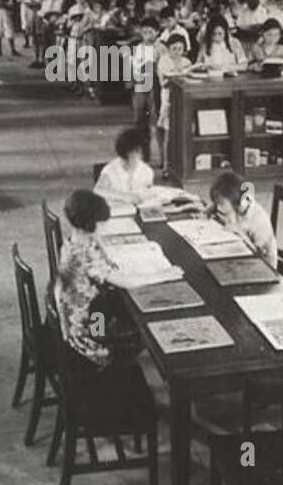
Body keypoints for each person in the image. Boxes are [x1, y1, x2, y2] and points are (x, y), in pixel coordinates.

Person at [52, 189, 142, 369]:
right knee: (139, 327)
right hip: (90, 334)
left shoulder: (74, 241)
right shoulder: (86, 256)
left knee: (124, 309)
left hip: (80, 318)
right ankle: (116, 370)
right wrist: (168, 273)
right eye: (102, 224)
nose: (104, 228)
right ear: (90, 224)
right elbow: (128, 282)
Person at [210, 171, 278, 269]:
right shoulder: (234, 205)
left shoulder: (259, 219)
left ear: (235, 198)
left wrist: (240, 233)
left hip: (262, 268)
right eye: (217, 203)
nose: (218, 208)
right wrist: (207, 211)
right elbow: (215, 206)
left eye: (221, 204)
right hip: (239, 259)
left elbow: (259, 255)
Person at [155, 33, 193, 176]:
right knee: (168, 133)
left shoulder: (186, 62)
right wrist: (177, 75)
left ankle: (181, 165)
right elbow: (163, 82)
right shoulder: (164, 61)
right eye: (174, 49)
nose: (177, 52)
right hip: (168, 99)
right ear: (168, 49)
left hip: (183, 99)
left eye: (180, 49)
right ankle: (166, 165)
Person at [94, 126, 156, 204]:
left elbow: (148, 193)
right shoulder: (110, 170)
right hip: (117, 211)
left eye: (140, 152)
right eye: (135, 151)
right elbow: (98, 191)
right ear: (125, 151)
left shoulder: (147, 171)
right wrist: (124, 196)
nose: (138, 156)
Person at [129, 16, 163, 151]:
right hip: (141, 83)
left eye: (150, 32)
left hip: (155, 83)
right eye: (144, 32)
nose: (147, 35)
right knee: (139, 118)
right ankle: (144, 152)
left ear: (157, 32)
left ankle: (163, 156)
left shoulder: (161, 47)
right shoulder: (138, 47)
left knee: (156, 119)